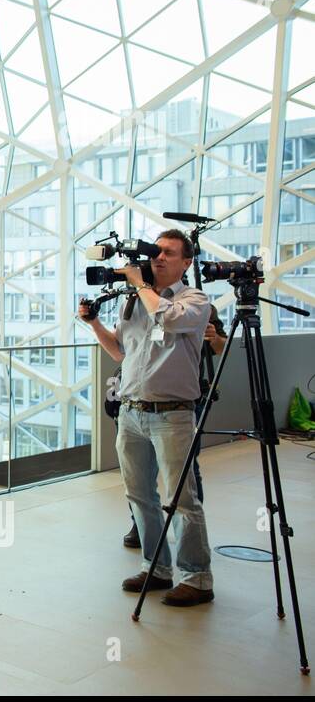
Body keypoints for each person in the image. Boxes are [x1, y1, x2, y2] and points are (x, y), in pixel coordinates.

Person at [79, 229, 215, 606]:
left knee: (181, 499)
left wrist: (139, 286)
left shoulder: (194, 300)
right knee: (140, 497)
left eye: (169, 253)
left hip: (173, 416)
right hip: (132, 412)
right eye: (156, 252)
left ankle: (198, 578)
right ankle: (157, 568)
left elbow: (169, 320)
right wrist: (93, 324)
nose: (159, 257)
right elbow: (121, 353)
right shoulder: (137, 302)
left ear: (187, 262)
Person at [122, 305, 225, 548]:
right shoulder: (139, 305)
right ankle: (142, 525)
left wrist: (214, 337)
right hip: (140, 399)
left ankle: (189, 532)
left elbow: (221, 347)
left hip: (183, 401)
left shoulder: (198, 306)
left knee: (186, 471)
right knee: (141, 478)